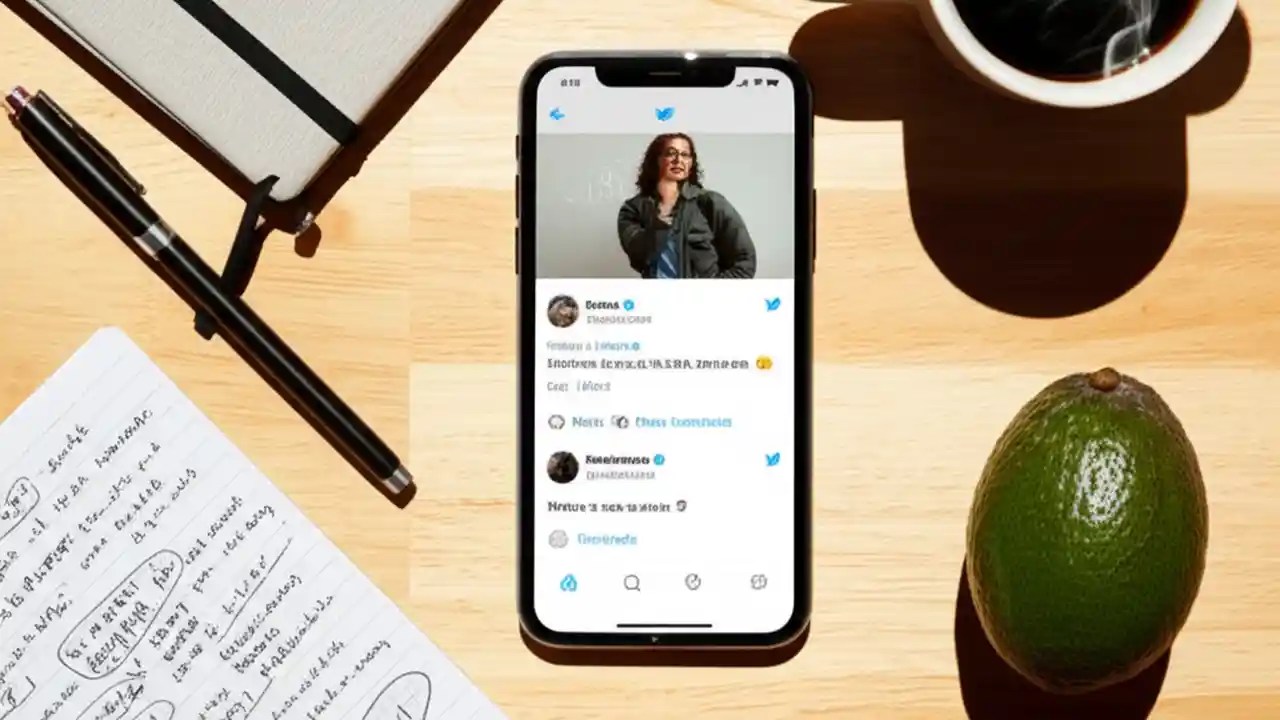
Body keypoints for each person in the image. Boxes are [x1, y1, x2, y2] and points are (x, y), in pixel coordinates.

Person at [616, 133, 757, 279]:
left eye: (685, 155)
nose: (678, 160)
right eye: (671, 153)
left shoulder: (710, 203)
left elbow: (745, 261)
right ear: (656, 160)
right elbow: (639, 257)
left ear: (691, 163)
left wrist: (713, 295)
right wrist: (664, 209)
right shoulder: (633, 210)